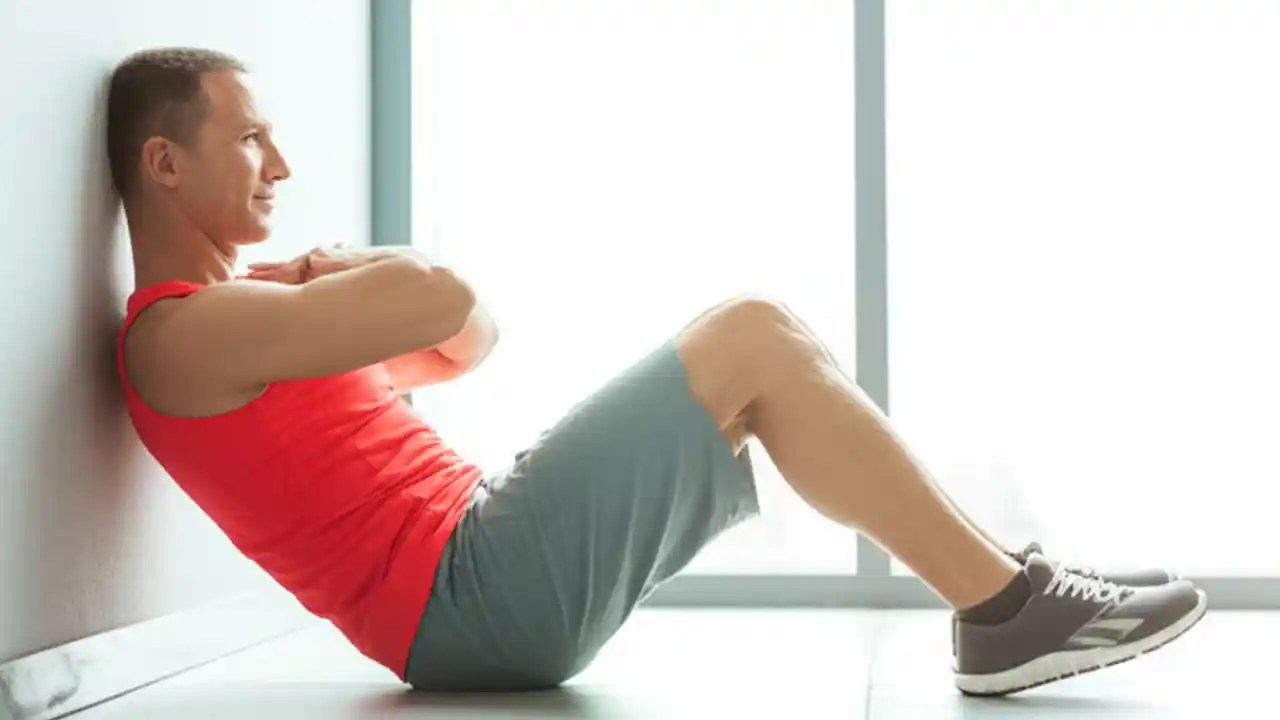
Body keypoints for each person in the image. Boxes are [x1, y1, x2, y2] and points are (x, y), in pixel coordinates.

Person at [108, 47, 1206, 698]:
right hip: (463, 603)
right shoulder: (180, 334)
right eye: (250, 139)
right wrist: (354, 271)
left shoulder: (256, 326)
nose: (280, 165)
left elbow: (467, 340)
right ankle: (1007, 609)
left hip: (479, 559)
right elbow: (437, 296)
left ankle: (1004, 595)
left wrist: (330, 289)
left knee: (760, 355)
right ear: (163, 164)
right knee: (747, 333)